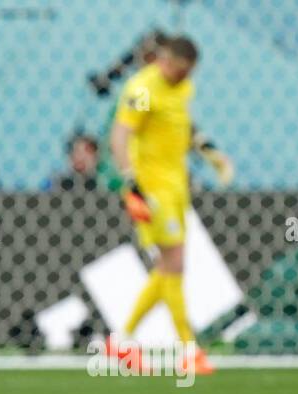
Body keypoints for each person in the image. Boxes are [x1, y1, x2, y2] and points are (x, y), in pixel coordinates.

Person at [109, 35, 234, 374]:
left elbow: (183, 125)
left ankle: (121, 342)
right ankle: (189, 349)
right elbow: (119, 136)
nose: (184, 78)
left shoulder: (182, 87)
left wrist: (212, 154)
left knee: (167, 266)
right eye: (180, 71)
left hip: (176, 185)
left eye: (189, 73)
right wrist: (131, 186)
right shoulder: (143, 88)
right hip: (151, 188)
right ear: (165, 61)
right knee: (175, 262)